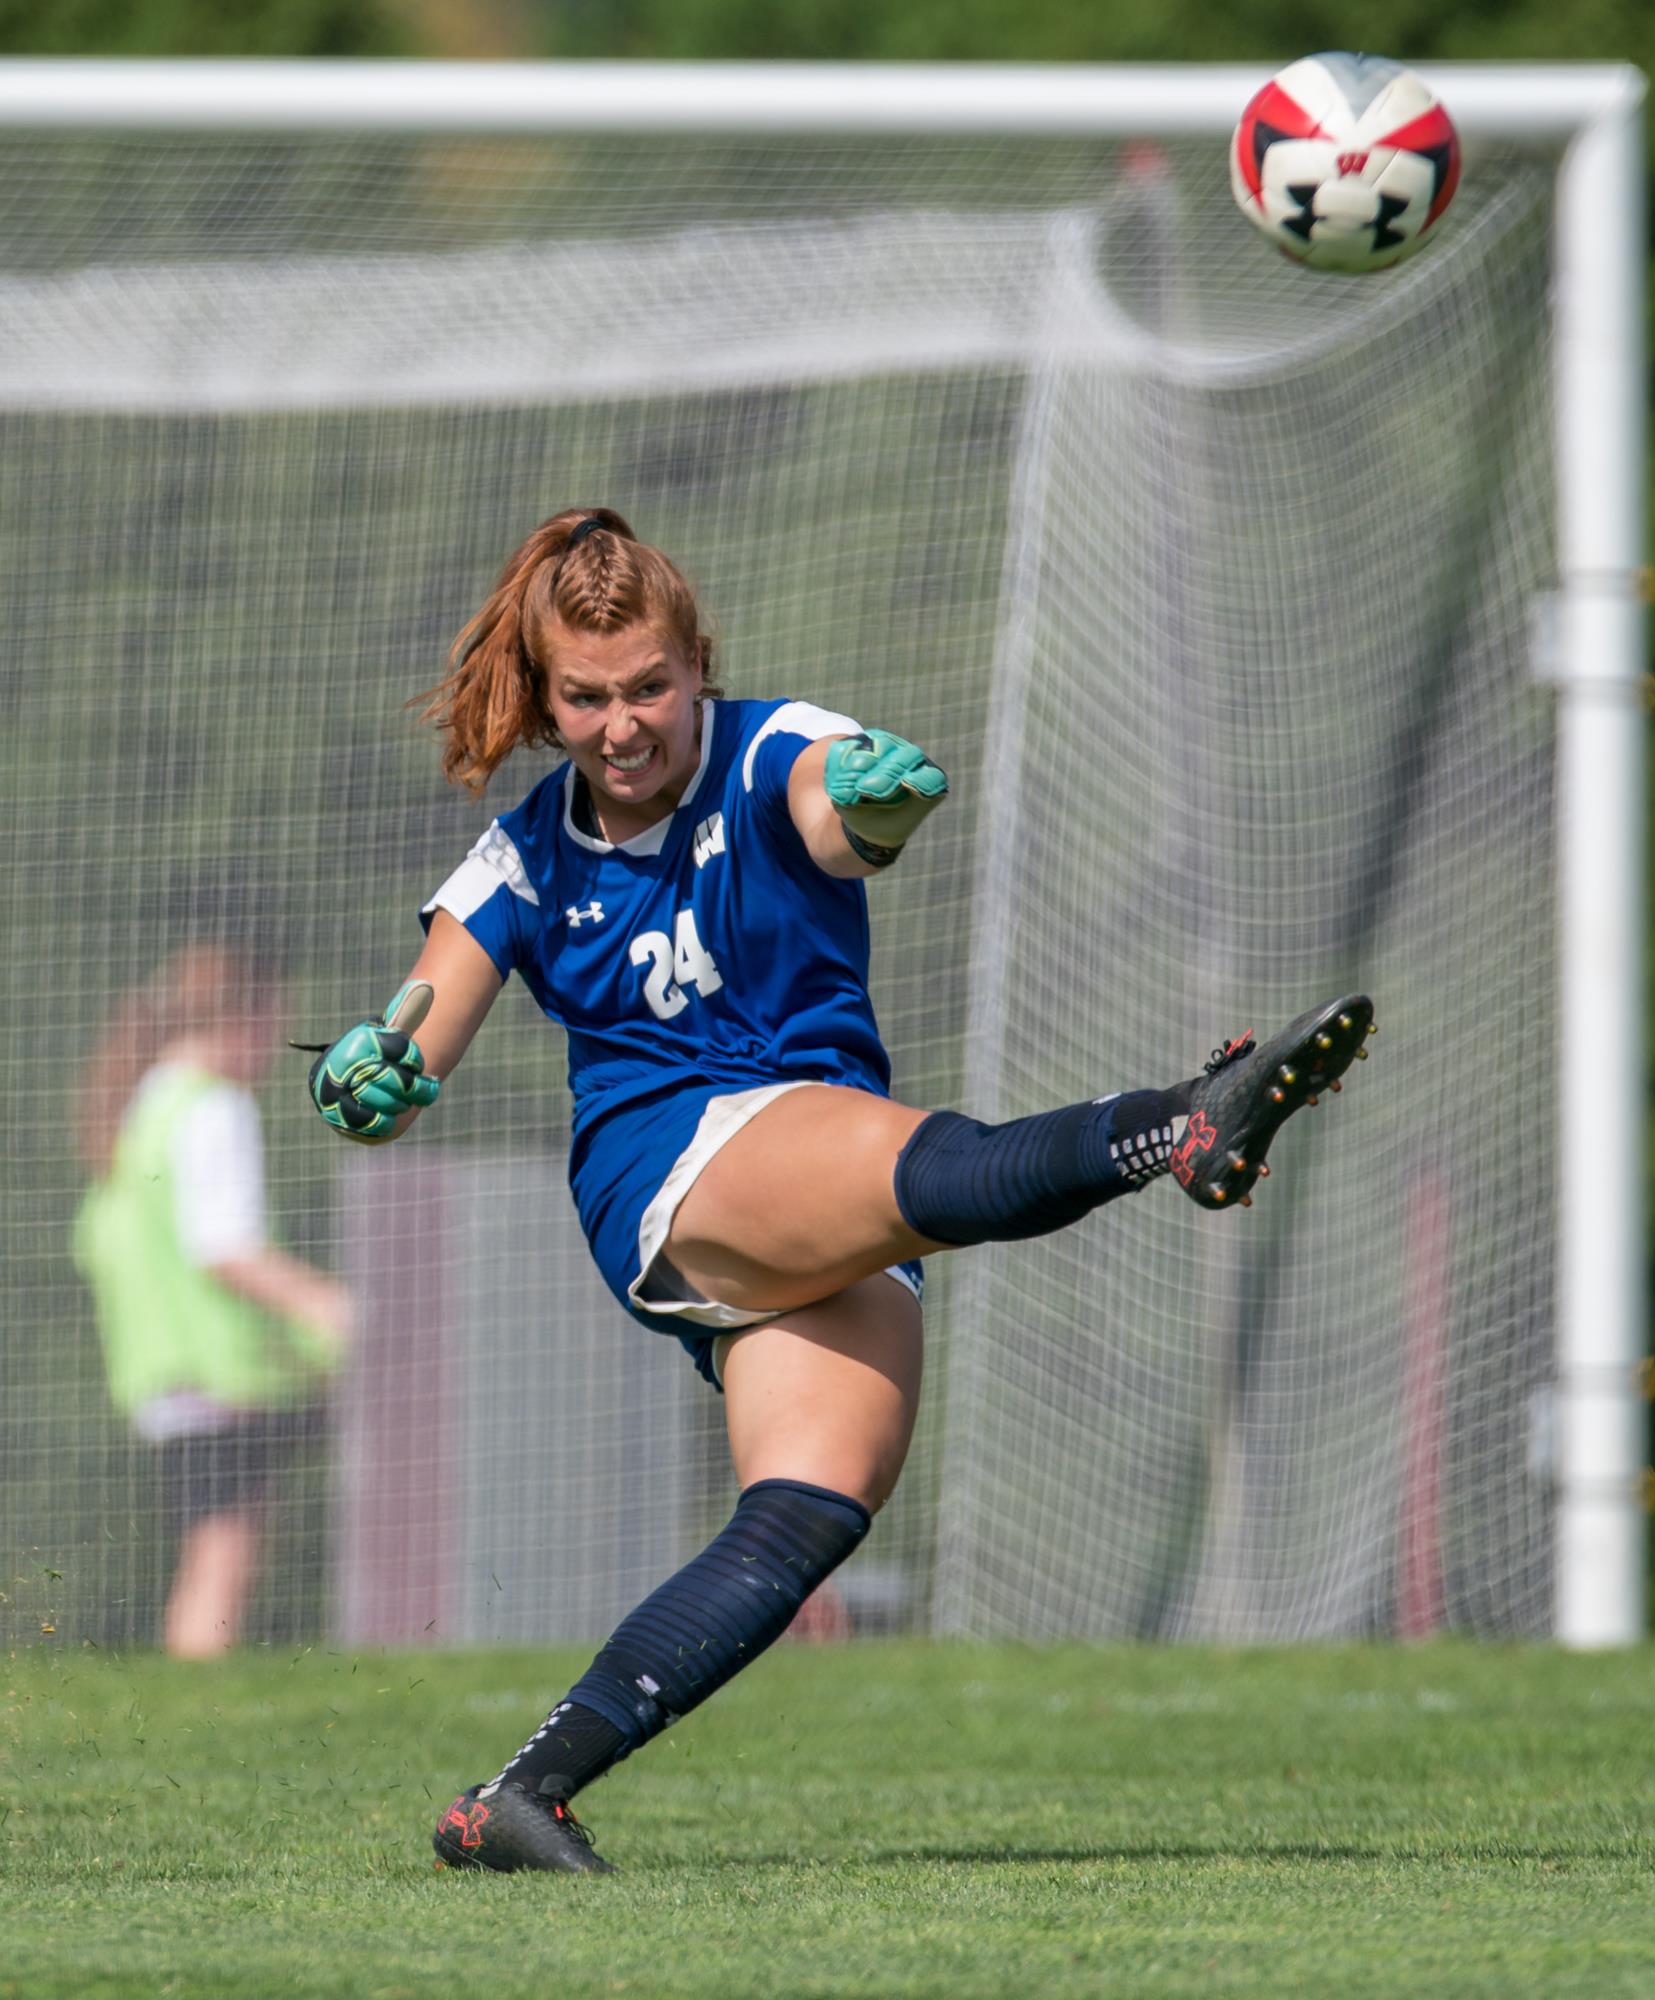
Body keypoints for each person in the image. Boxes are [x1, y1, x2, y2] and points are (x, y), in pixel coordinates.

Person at [303, 505, 1374, 1875]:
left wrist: (877, 800)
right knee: (942, 1166)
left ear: (696, 663)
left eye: (648, 686)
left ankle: (518, 1795)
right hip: (667, 1165)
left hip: (802, 1169)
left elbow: (839, 804)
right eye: (586, 696)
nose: (621, 724)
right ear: (544, 695)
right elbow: (415, 1038)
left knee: (808, 1510)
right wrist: (370, 1078)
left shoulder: (769, 749)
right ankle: (1183, 1122)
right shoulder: (519, 860)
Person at [73, 943, 351, 1659]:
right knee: (223, 1549)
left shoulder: (147, 1102)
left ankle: (197, 1693)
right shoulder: (214, 1106)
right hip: (222, 1370)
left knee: (212, 1543)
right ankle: (205, 1697)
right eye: (275, 1028)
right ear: (241, 1021)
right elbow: (225, 1247)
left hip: (163, 1367)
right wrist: (327, 1306)